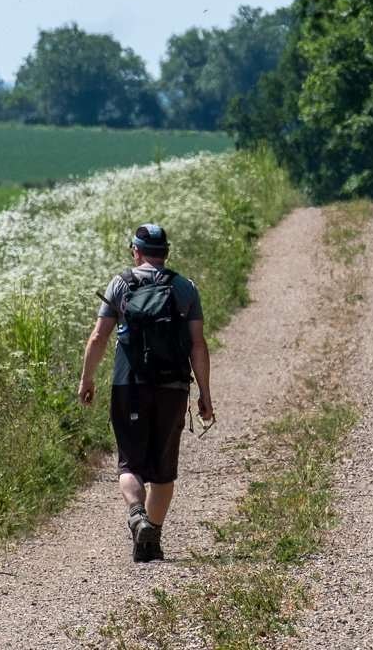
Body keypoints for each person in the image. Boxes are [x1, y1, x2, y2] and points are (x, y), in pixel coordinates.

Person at [77, 223, 214, 562]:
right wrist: (205, 395)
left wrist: (87, 379)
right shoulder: (185, 288)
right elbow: (198, 344)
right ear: (166, 252)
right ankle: (151, 537)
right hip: (173, 387)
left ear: (135, 251)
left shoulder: (121, 284)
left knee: (130, 463)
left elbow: (98, 338)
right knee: (164, 471)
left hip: (129, 384)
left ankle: (137, 515)